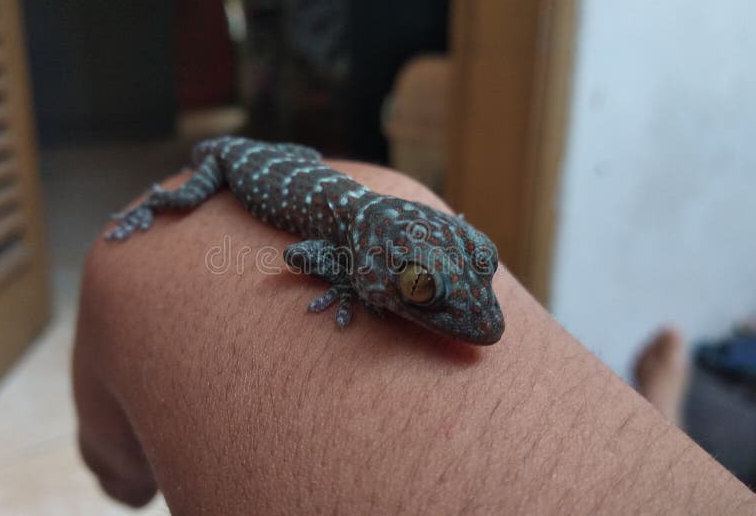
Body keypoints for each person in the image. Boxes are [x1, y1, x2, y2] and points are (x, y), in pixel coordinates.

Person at [74, 161, 755, 514]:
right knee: (184, 192)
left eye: (479, 262)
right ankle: (156, 208)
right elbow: (298, 258)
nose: (484, 319)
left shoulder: (377, 218)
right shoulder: (351, 243)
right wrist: (352, 285)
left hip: (305, 169)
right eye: (422, 290)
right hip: (228, 162)